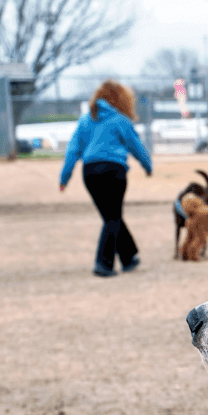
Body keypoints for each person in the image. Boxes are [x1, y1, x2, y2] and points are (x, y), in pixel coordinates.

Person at [59, 79, 153, 277]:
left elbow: (73, 149)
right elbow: (136, 146)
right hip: (113, 171)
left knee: (111, 215)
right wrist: (148, 166)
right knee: (113, 216)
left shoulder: (85, 120)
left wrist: (64, 177)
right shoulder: (120, 120)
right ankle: (103, 264)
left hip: (90, 172)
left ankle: (129, 257)